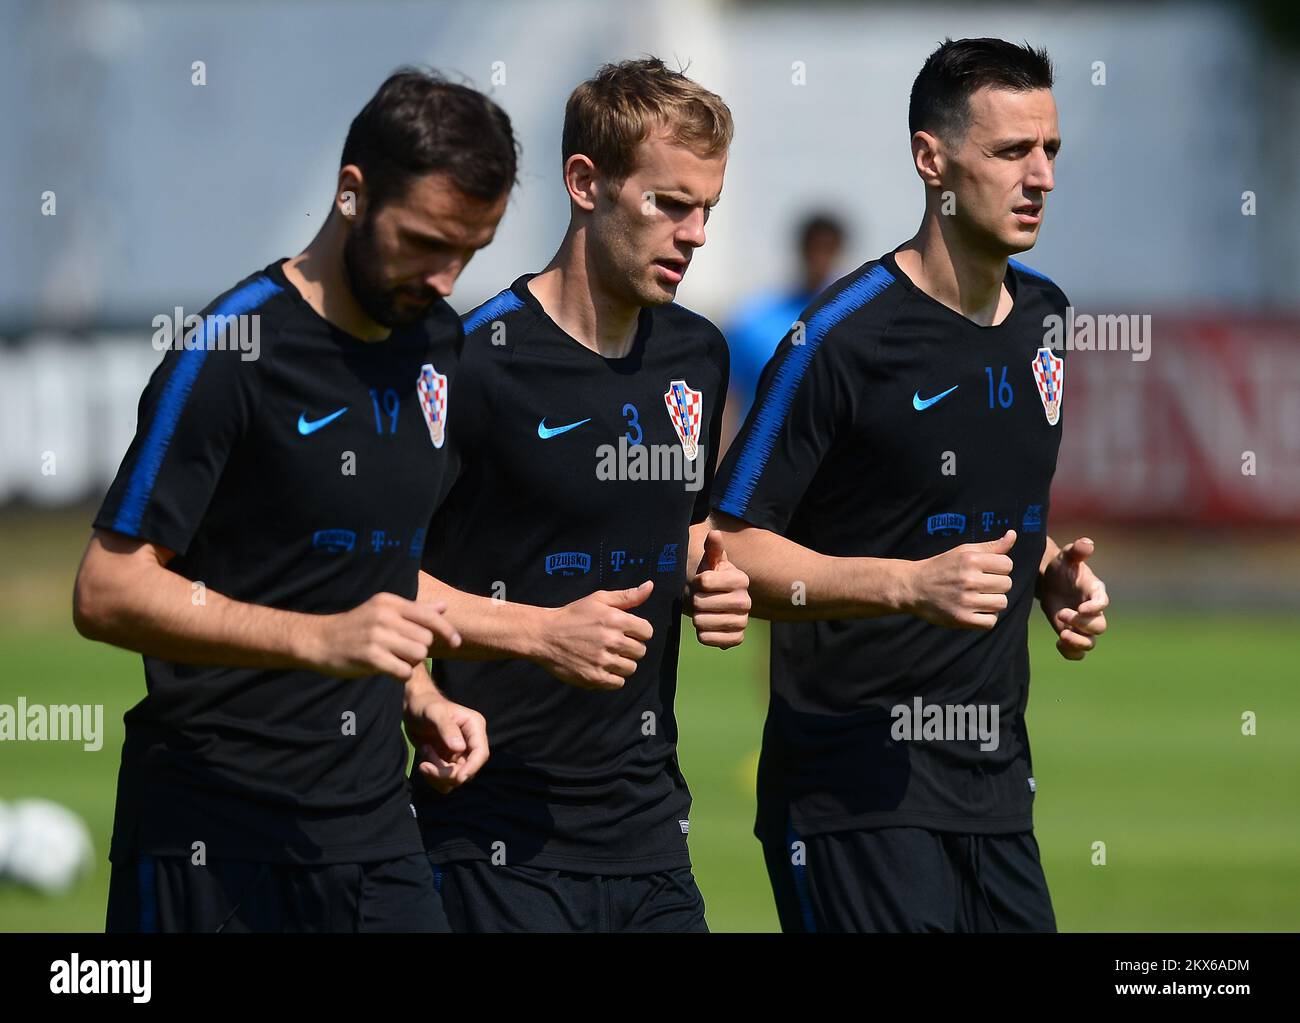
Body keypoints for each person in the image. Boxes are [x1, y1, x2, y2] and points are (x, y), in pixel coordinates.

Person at [73, 68, 632, 933]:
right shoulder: (232, 350)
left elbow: (374, 571)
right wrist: (317, 640)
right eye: (424, 242)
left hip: (373, 833)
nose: (446, 277)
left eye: (471, 251)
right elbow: (108, 589)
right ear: (350, 193)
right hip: (211, 834)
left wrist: (420, 696)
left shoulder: (438, 344)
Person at [710, 38, 1109, 933]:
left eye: (1050, 150)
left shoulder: (1046, 316)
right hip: (854, 798)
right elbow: (729, 546)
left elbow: (968, 515)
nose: (1040, 175)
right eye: (1011, 152)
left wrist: (1050, 572)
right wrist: (908, 584)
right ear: (932, 159)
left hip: (999, 792)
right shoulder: (840, 338)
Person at [412, 57, 751, 933]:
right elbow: (378, 577)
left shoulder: (697, 357)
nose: (696, 233)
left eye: (706, 207)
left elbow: (684, 528)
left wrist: (713, 575)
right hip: (496, 840)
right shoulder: (471, 366)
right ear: (585, 183)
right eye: (669, 204)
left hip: (650, 839)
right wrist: (531, 635)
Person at [722, 212, 847, 446]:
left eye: (828, 250)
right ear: (802, 249)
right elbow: (731, 397)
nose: (821, 259)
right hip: (759, 451)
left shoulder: (852, 324)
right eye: (815, 249)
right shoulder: (755, 320)